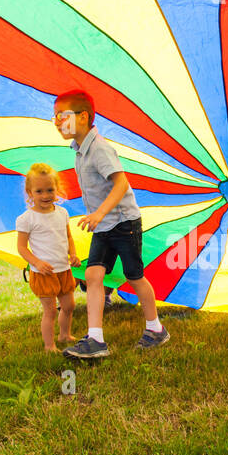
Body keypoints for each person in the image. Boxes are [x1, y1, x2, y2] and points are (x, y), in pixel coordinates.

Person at [54, 91, 169, 359]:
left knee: (134, 275)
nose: (58, 122)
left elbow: (121, 184)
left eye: (63, 116)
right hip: (104, 225)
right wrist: (98, 217)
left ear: (83, 117)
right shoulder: (79, 151)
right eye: (55, 118)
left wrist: (98, 214)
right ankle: (95, 338)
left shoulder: (100, 149)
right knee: (93, 276)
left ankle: (156, 329)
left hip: (123, 222)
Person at [16, 163, 80, 352]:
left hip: (63, 269)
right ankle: (49, 345)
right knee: (51, 310)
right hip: (43, 273)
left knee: (69, 306)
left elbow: (68, 237)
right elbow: (21, 247)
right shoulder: (27, 218)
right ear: (30, 192)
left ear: (57, 189)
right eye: (39, 191)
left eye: (50, 190)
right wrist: (36, 262)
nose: (45, 195)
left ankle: (64, 334)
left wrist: (73, 254)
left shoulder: (62, 213)